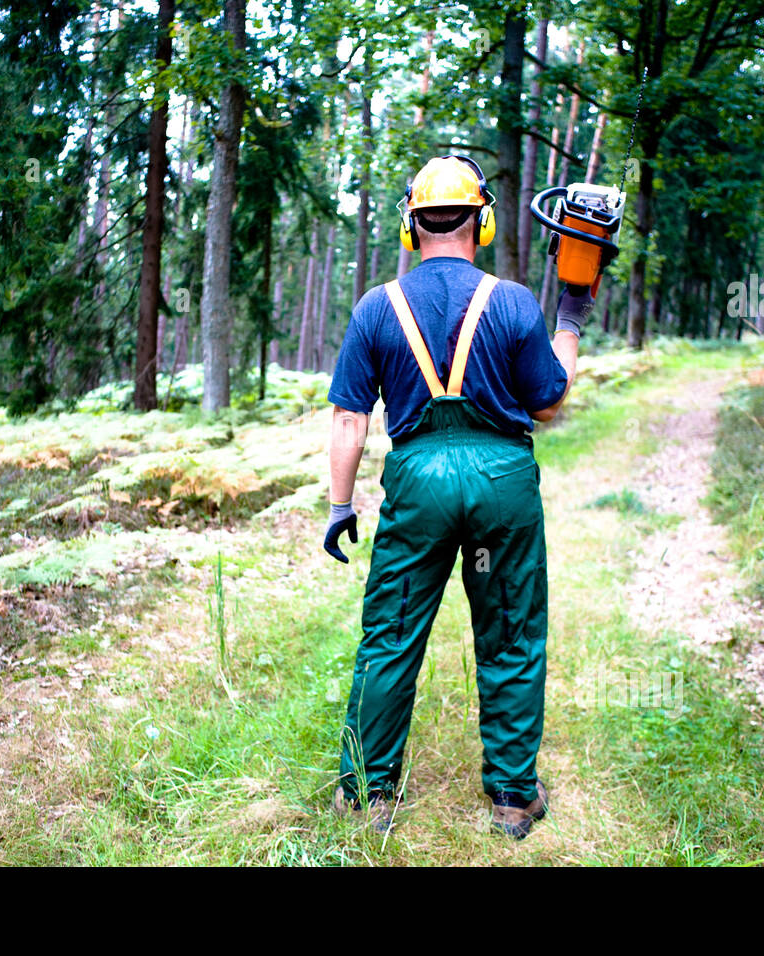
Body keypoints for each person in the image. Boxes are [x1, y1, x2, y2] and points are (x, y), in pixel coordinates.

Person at [323, 155, 596, 839]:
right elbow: (552, 403)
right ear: (484, 222)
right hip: (503, 481)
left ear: (411, 228)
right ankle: (511, 798)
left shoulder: (375, 307)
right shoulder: (511, 303)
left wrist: (339, 505)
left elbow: (350, 421)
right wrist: (572, 314)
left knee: (389, 637)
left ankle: (366, 794)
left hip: (418, 483)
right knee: (510, 634)